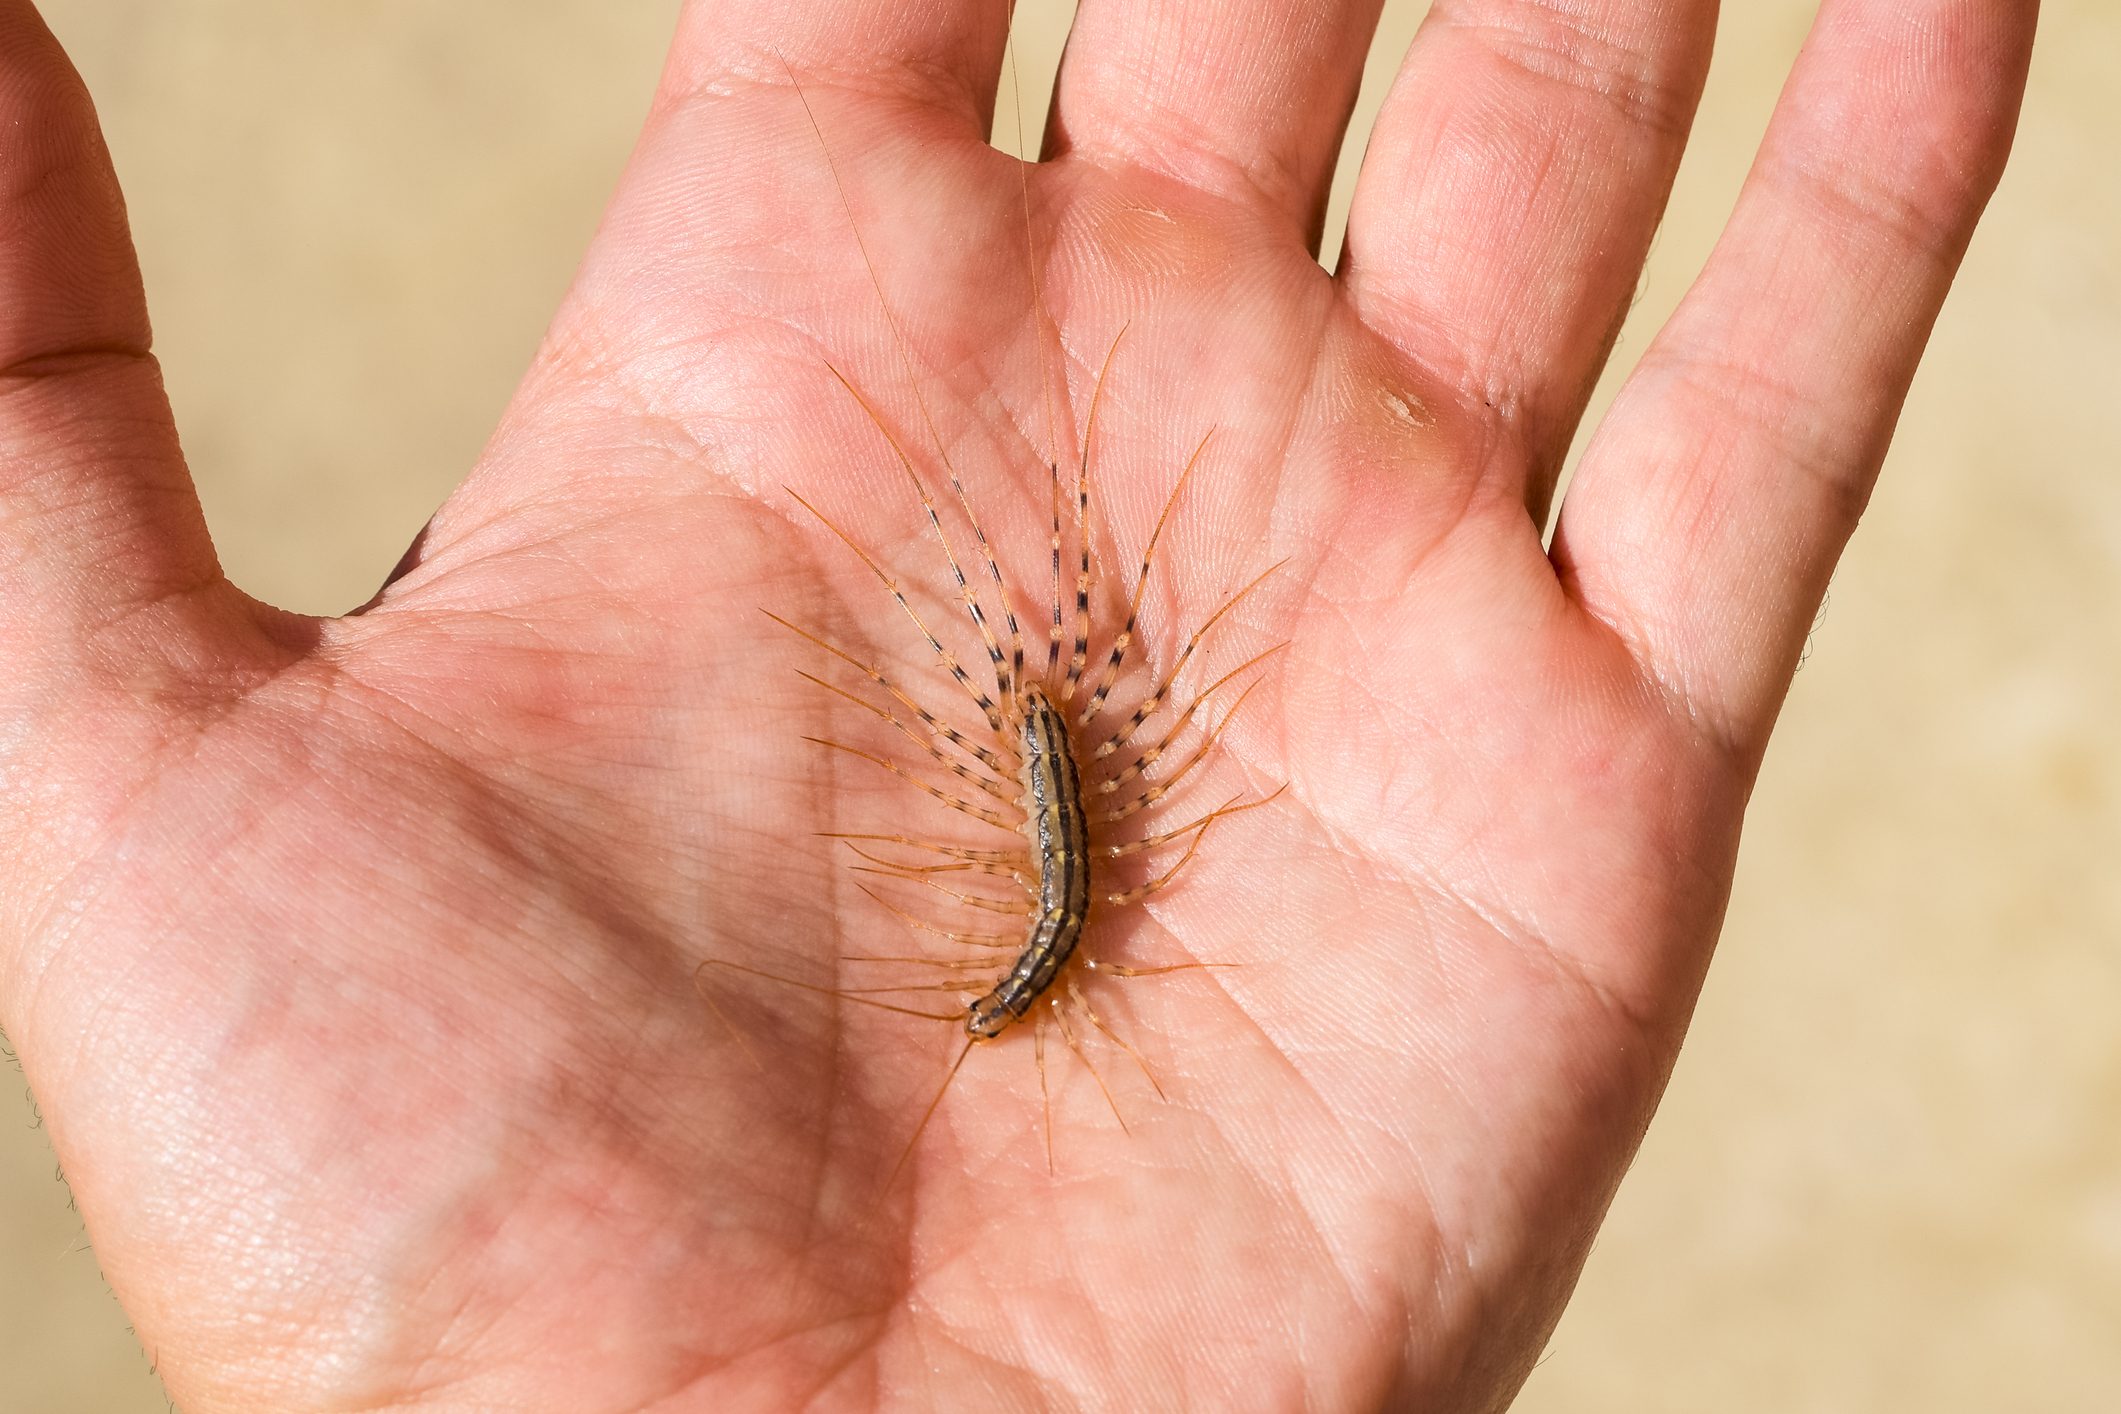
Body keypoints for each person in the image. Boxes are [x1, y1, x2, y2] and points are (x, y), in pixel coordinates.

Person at [0, 0, 2036, 1409]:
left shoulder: (1053, 900)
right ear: (1028, 984)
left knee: (1068, 686)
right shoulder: (1044, 910)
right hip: (1060, 769)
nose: (1031, 972)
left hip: (1059, 764)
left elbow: (1081, 867)